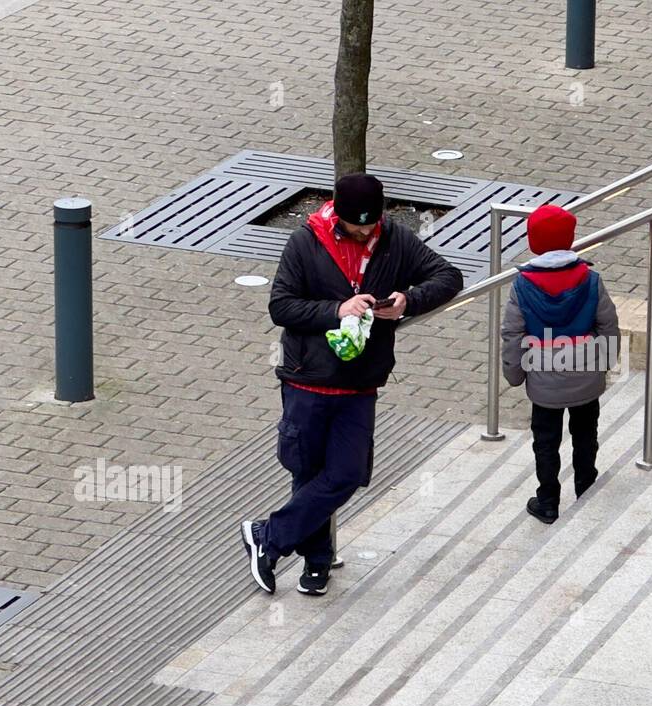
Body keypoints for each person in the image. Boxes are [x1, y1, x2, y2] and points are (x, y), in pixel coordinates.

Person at [241, 173, 464, 595]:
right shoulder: (305, 242)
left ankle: (267, 536)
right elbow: (282, 306)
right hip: (307, 381)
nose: (365, 232)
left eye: (371, 223)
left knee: (345, 475)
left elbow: (449, 276)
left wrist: (407, 302)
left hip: (360, 383)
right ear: (336, 215)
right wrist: (337, 308)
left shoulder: (395, 239)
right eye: (355, 226)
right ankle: (316, 564)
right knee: (308, 474)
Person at [501, 203, 620, 524]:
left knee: (546, 440)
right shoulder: (591, 279)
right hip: (586, 377)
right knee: (586, 433)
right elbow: (608, 324)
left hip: (544, 381)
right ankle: (586, 486)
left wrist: (513, 373)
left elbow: (512, 333)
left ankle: (548, 500)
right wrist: (604, 363)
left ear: (533, 241)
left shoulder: (523, 285)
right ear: (569, 239)